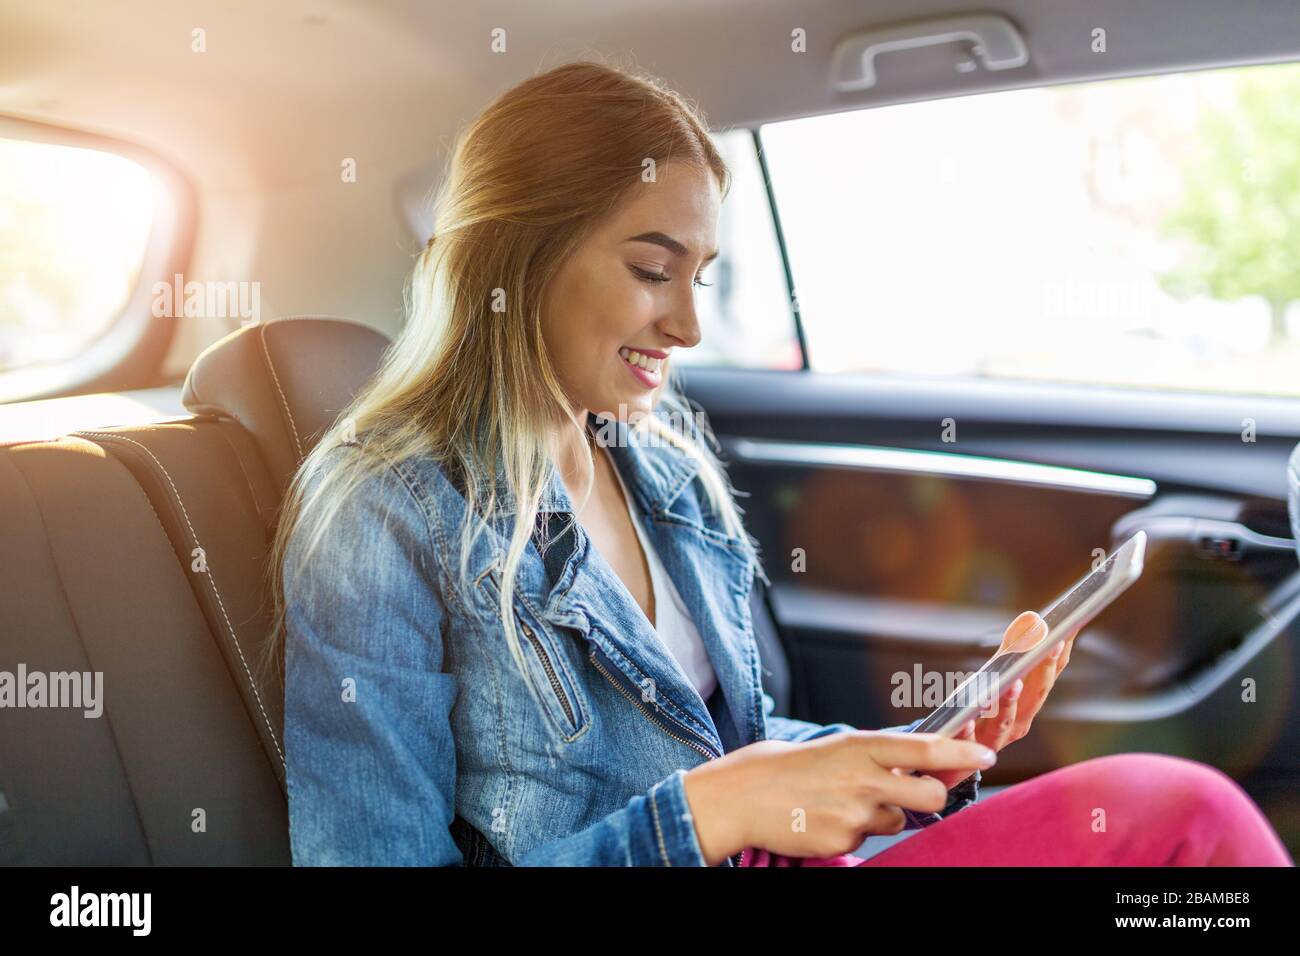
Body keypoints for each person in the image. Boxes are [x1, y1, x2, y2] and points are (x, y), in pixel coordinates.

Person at [272, 60, 1293, 867]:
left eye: (702, 276)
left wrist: (909, 751)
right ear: (516, 255)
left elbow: (735, 747)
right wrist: (700, 816)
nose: (686, 322)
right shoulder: (383, 511)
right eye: (649, 269)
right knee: (1181, 817)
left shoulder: (658, 467)